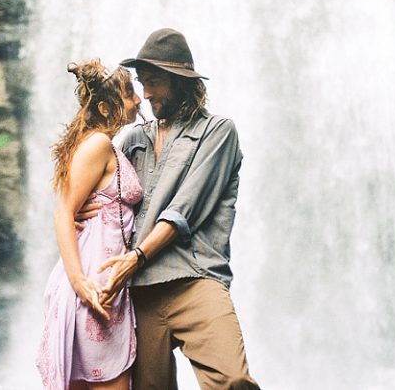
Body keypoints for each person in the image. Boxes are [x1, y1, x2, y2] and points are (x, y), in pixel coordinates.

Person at [86, 28, 262, 389]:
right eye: (142, 82)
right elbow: (104, 193)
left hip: (195, 280)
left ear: (181, 82)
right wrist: (81, 209)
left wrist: (134, 258)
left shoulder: (218, 133)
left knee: (233, 381)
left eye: (154, 83)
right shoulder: (134, 139)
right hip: (139, 293)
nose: (146, 93)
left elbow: (184, 210)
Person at [36, 59, 143, 390]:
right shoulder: (97, 144)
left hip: (101, 286)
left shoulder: (104, 144)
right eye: (130, 94)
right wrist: (81, 282)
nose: (138, 100)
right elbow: (63, 212)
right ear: (104, 106)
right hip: (93, 289)